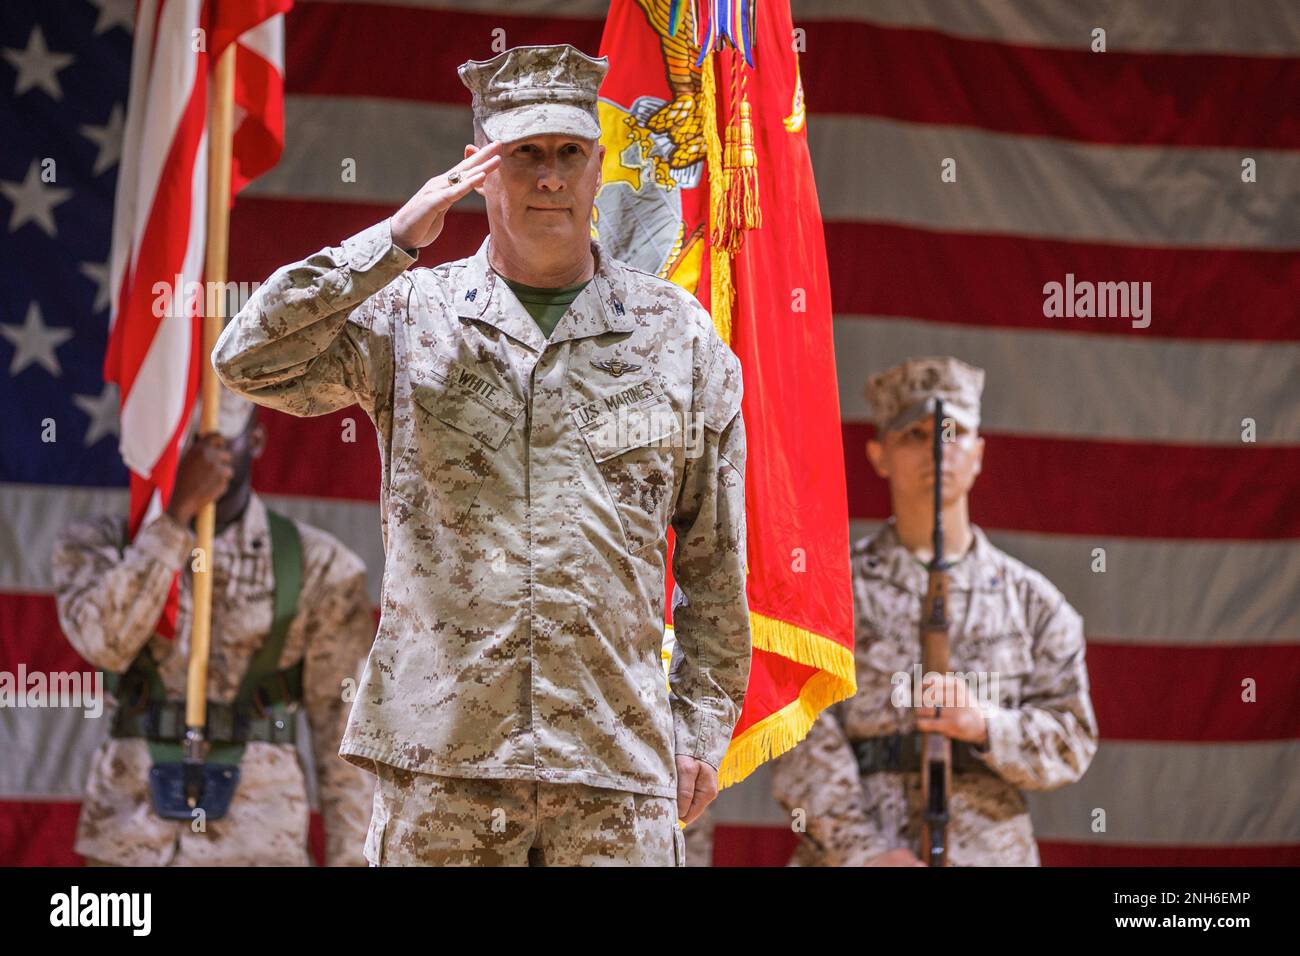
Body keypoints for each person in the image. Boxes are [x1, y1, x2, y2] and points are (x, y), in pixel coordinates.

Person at [211, 43, 751, 866]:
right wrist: (391, 240)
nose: (549, 177)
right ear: (476, 170)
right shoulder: (407, 315)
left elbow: (717, 563)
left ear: (597, 164)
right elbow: (248, 358)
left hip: (615, 767)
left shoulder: (676, 336)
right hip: (442, 769)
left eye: (570, 153)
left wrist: (701, 732)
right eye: (524, 153)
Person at [771, 356, 1097, 866]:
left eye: (953, 432)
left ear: (979, 452)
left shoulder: (1035, 605)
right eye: (913, 435)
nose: (937, 449)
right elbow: (798, 733)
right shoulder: (832, 593)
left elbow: (1071, 739)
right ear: (879, 455)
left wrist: (984, 723)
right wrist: (865, 853)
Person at [52, 391, 377, 865]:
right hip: (129, 835)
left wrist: (353, 861)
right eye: (183, 444)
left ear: (256, 438)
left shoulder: (319, 566)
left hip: (259, 840)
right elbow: (106, 644)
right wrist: (174, 520)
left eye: (217, 442)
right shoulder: (99, 547)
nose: (200, 458)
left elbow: (346, 734)